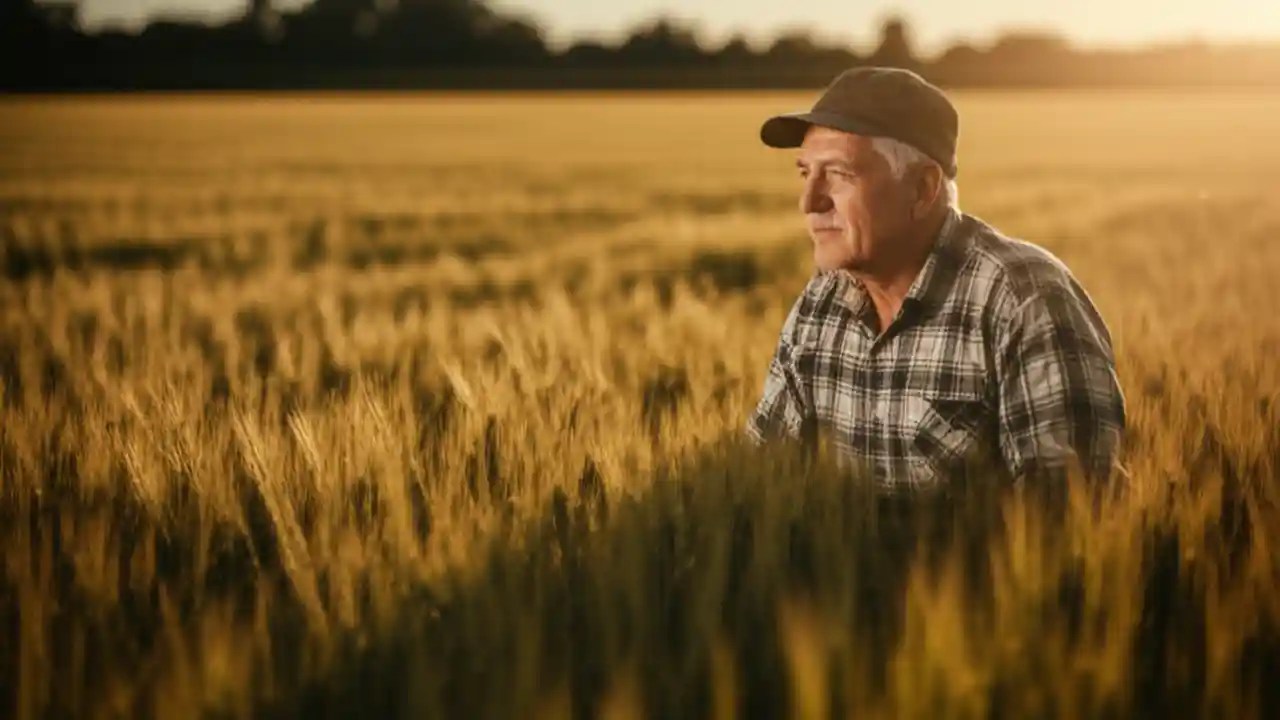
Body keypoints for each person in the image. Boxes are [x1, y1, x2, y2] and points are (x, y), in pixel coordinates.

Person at [746, 66, 1126, 485]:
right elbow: (762, 472)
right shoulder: (820, 304)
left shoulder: (1026, 301)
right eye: (805, 173)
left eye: (838, 174)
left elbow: (1068, 520)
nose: (809, 202)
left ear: (922, 189)